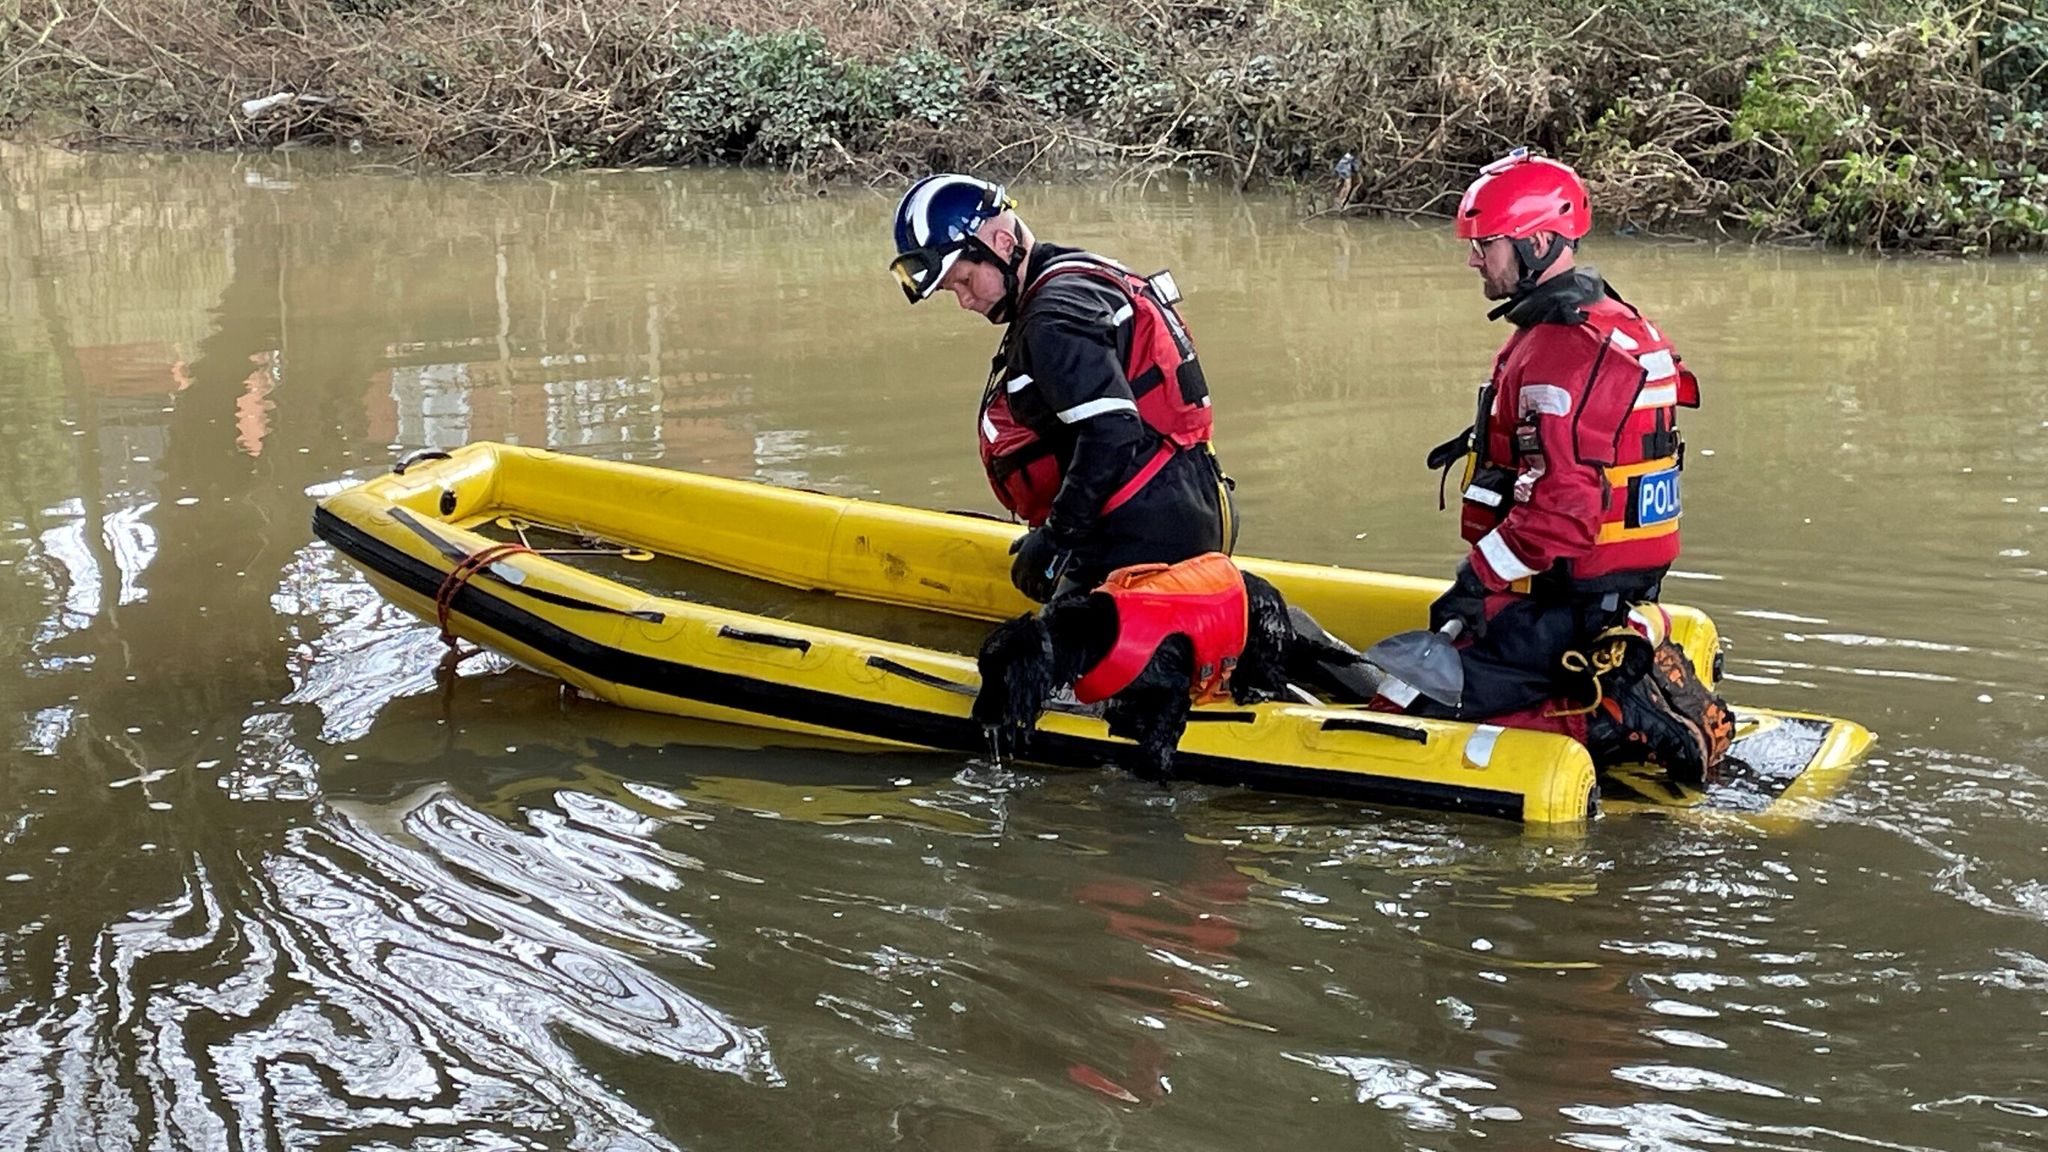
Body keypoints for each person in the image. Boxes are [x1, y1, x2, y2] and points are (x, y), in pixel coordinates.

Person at [1390, 149, 1731, 784]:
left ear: (1539, 241)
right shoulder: (1617, 325)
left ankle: (1604, 718)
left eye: (1485, 244)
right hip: (1606, 595)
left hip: (1561, 606)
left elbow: (1564, 517)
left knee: (1403, 705)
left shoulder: (1563, 351)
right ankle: (1621, 683)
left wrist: (1478, 576)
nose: (1472, 260)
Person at [888, 174, 1237, 602]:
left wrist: (1057, 538)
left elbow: (1113, 430)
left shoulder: (1052, 319)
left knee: (1048, 665)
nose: (964, 300)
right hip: (1195, 500)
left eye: (964, 280)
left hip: (1144, 539)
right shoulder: (1079, 273)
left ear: (1000, 243)